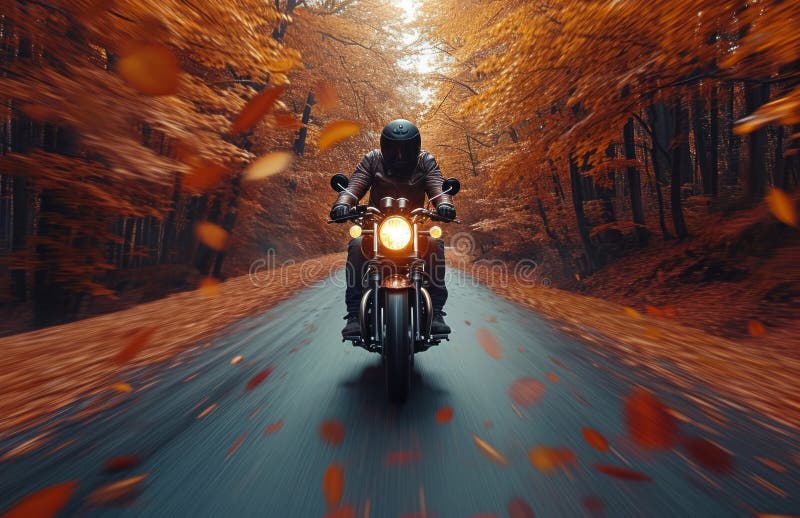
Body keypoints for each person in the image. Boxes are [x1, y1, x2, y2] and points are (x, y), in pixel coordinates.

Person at [329, 119, 456, 338]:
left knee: (435, 244)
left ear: (415, 147)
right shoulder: (372, 160)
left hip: (414, 229)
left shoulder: (426, 162)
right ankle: (353, 315)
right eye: (393, 148)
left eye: (405, 149)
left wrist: (444, 204)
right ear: (383, 146)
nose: (399, 155)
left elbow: (438, 187)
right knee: (357, 244)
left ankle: (436, 313)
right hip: (376, 228)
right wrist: (342, 204)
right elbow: (354, 186)